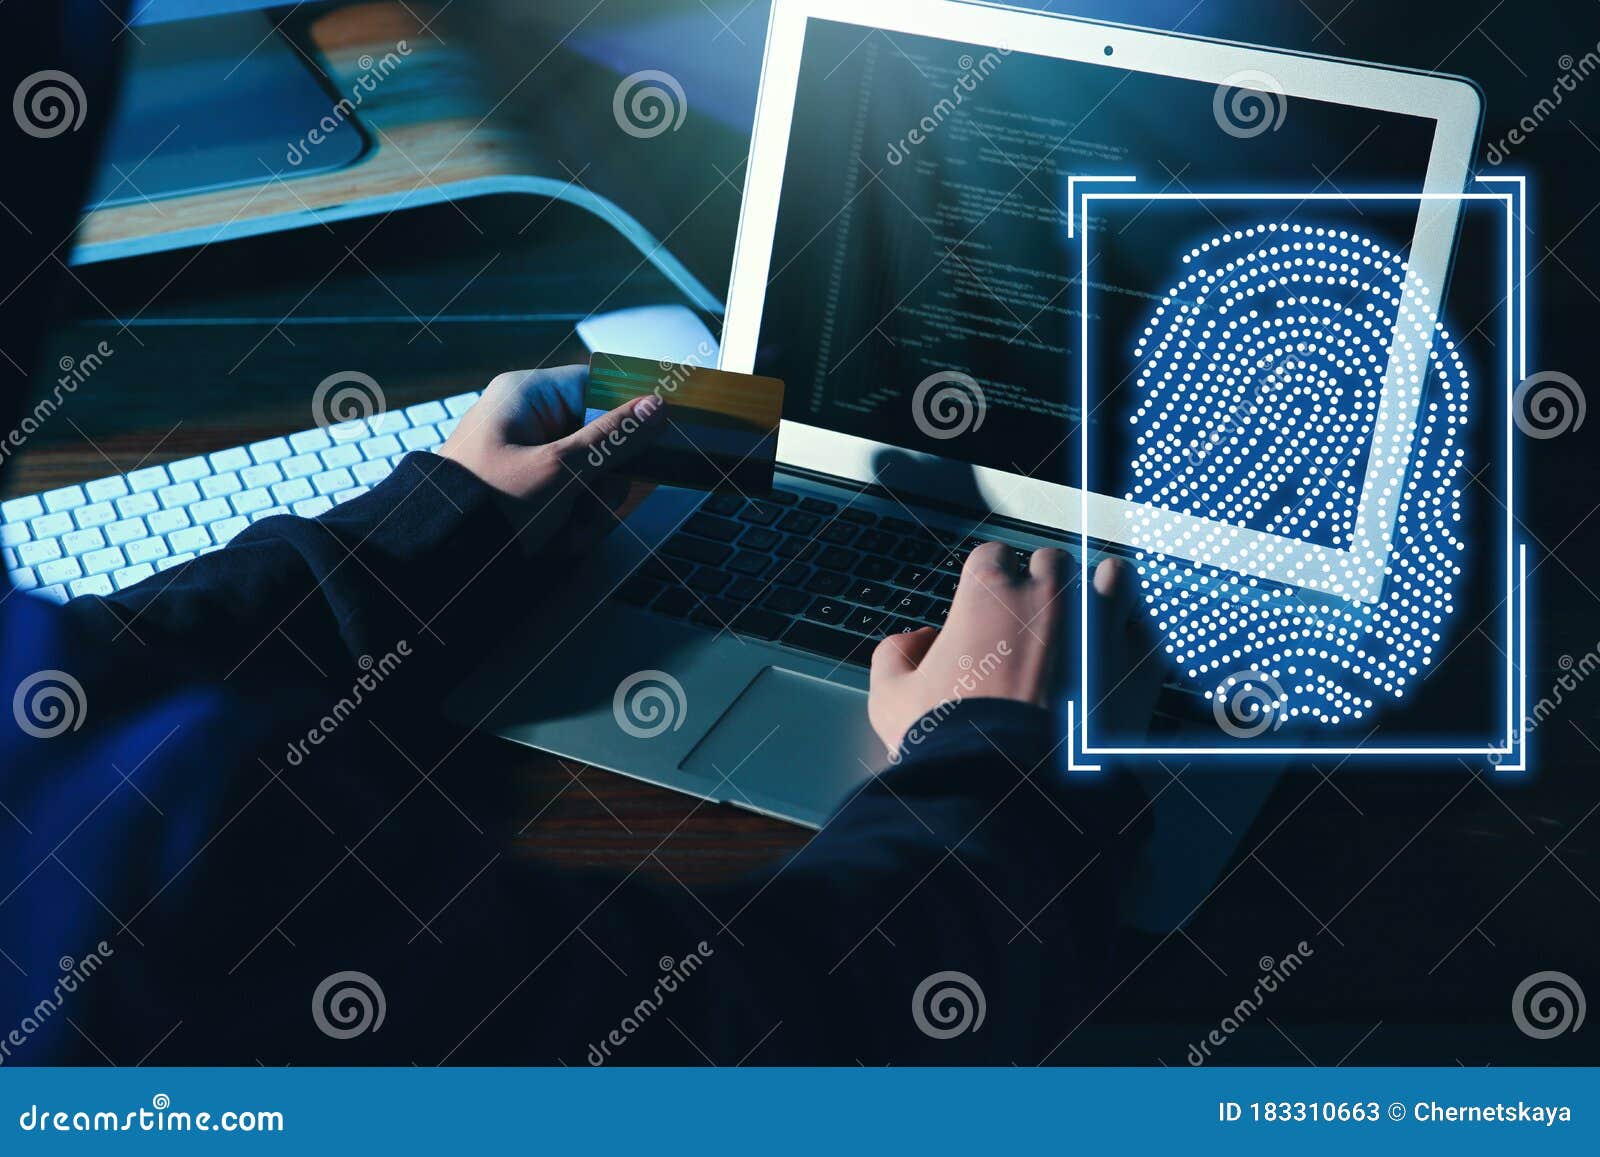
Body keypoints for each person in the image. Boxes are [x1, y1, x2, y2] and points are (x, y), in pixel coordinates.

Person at [0, 2, 1153, 1065]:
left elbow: (85, 684)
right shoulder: (133, 888)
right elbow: (776, 1036)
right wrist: (992, 750)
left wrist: (427, 529)